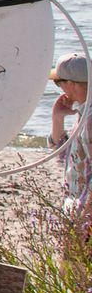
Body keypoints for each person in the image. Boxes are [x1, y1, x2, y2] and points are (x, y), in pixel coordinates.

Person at [52, 53, 89, 218]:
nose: (60, 89)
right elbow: (64, 156)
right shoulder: (83, 113)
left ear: (72, 84)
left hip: (84, 211)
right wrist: (57, 118)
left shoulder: (89, 120)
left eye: (58, 83)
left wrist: (86, 216)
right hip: (76, 204)